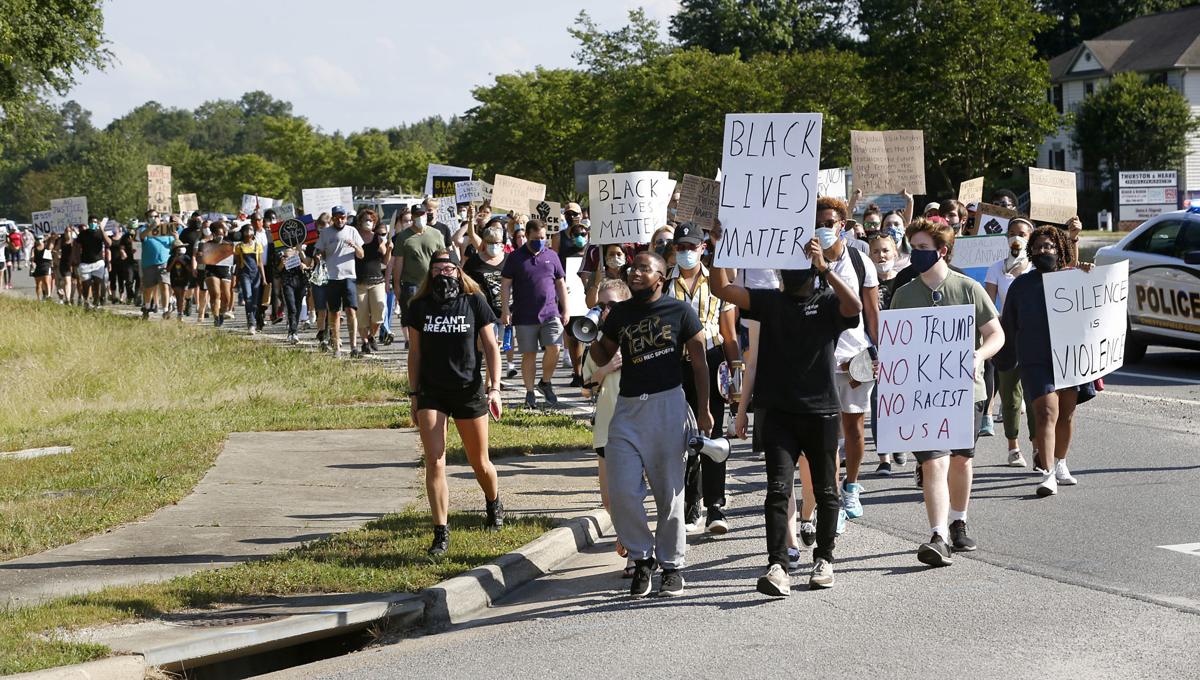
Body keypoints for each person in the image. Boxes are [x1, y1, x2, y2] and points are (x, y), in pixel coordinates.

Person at [712, 234, 862, 593]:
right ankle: (778, 565)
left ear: (813, 270)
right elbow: (723, 290)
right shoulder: (769, 303)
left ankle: (824, 558)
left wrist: (826, 269)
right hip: (778, 413)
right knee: (778, 490)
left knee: (827, 490)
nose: (791, 274)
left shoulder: (827, 303)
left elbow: (854, 307)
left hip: (821, 412)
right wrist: (722, 244)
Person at [589, 251, 713, 599]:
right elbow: (603, 356)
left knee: (669, 492)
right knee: (623, 490)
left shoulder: (680, 311)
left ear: (661, 276)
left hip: (668, 406)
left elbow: (701, 363)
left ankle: (671, 566)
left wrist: (703, 410)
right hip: (628, 410)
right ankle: (642, 558)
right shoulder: (621, 314)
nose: (636, 272)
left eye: (645, 268)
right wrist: (592, 334)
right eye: (634, 267)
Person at [890, 218, 1005, 566]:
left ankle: (958, 519)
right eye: (913, 248)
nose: (916, 254)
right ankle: (937, 534)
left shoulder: (969, 288)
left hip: (965, 392)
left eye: (923, 248)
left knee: (960, 459)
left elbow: (995, 335)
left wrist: (978, 355)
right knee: (933, 462)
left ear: (941, 251)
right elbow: (895, 344)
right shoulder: (904, 294)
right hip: (922, 394)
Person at [405, 251, 504, 556]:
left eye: (449, 268)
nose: (443, 274)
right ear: (430, 274)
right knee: (435, 460)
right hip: (432, 392)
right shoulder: (419, 306)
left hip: (468, 390)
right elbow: (415, 353)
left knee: (480, 462)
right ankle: (441, 533)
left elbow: (490, 346)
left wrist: (494, 387)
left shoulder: (475, 301)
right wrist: (413, 395)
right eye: (438, 269)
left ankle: (493, 503)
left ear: (459, 271)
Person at [995, 224, 1096, 498]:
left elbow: (1094, 307)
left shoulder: (1072, 278)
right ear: (1031, 251)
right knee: (1045, 413)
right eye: (1038, 247)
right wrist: (1004, 358)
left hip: (1069, 357)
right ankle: (1047, 473)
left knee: (1066, 413)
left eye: (1048, 247)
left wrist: (1087, 274)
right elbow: (1009, 323)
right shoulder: (1021, 285)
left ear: (1058, 250)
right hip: (1035, 358)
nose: (1043, 251)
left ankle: (1061, 463)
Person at [666, 223, 739, 535]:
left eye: (691, 247)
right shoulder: (664, 283)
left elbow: (729, 332)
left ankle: (716, 505)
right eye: (680, 248)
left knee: (711, 431)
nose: (685, 253)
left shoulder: (718, 283)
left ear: (702, 248)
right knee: (679, 436)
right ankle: (688, 500)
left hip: (710, 360)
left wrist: (736, 374)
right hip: (674, 363)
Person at [814, 197, 879, 520]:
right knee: (825, 432)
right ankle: (830, 493)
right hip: (818, 361)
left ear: (842, 225)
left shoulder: (859, 260)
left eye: (830, 224)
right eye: (819, 224)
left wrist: (878, 352)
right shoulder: (804, 262)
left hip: (856, 358)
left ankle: (851, 488)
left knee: (854, 429)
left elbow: (871, 310)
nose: (824, 229)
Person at [581, 278, 633, 576]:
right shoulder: (596, 345)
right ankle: (627, 533)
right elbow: (586, 389)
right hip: (606, 425)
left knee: (630, 491)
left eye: (611, 304)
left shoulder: (638, 336)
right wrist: (606, 368)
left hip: (635, 425)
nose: (604, 310)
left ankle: (634, 548)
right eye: (601, 305)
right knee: (609, 497)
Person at [984, 217, 1037, 466]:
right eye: (1013, 233)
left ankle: (1038, 445)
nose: (1017, 238)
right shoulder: (996, 268)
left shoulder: (1038, 268)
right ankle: (1013, 447)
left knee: (1036, 394)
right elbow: (988, 305)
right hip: (1008, 338)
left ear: (1031, 238)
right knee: (1010, 395)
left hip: (1034, 337)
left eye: (1023, 234)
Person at [500, 219, 568, 409]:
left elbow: (560, 283)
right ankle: (530, 392)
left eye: (543, 238)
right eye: (536, 238)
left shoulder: (552, 256)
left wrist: (566, 309)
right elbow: (505, 285)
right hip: (524, 315)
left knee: (554, 348)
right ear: (527, 236)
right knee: (529, 354)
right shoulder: (515, 257)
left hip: (550, 313)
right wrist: (505, 309)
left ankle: (545, 382)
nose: (540, 241)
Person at [868, 232, 907, 474]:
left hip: (903, 349)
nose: (881, 255)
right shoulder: (867, 282)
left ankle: (901, 440)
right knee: (878, 401)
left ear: (895, 253)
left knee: (901, 399)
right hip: (875, 349)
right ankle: (884, 457)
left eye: (885, 251)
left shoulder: (905, 281)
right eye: (876, 251)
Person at [391, 206, 446, 344]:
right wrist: (396, 285)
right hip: (411, 285)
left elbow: (443, 258)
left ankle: (430, 343)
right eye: (417, 215)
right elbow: (398, 263)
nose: (420, 217)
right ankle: (415, 345)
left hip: (434, 283)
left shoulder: (436, 234)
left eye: (422, 214)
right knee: (414, 317)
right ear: (413, 217)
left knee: (433, 315)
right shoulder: (403, 237)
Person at [316, 206, 365, 357]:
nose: (340, 219)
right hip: (332, 277)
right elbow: (319, 251)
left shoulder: (352, 231)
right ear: (333, 218)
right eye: (337, 217)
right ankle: (336, 346)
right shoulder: (325, 233)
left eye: (343, 217)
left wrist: (355, 246)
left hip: (349, 276)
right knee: (335, 313)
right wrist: (319, 255)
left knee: (351, 311)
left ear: (346, 217)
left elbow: (361, 255)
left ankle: (354, 346)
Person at [556, 209, 594, 387]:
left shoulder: (593, 253)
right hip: (571, 300)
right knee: (573, 337)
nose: (580, 236)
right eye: (576, 234)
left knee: (590, 337)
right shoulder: (565, 254)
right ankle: (577, 373)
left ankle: (589, 373)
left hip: (589, 300)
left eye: (583, 233)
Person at [463, 223, 507, 343]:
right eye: (490, 242)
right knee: (488, 344)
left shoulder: (510, 260)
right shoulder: (474, 262)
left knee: (500, 343)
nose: (494, 246)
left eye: (497, 242)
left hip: (505, 311)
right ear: (484, 243)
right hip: (484, 312)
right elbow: (465, 283)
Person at [355, 209, 390, 354]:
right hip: (359, 282)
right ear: (360, 221)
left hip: (377, 281)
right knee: (361, 316)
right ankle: (364, 342)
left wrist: (389, 250)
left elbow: (386, 262)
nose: (368, 222)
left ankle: (371, 336)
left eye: (371, 220)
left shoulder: (378, 238)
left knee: (379, 313)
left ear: (375, 222)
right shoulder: (355, 237)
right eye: (365, 219)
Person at [138, 212, 175, 320]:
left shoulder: (166, 229)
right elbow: (141, 237)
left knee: (164, 285)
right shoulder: (143, 229)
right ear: (147, 218)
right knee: (148, 289)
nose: (154, 218)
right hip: (149, 263)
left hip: (164, 263)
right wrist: (151, 226)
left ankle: (165, 310)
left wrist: (176, 237)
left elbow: (173, 244)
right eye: (151, 216)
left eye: (156, 216)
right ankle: (147, 307)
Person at [74, 216, 112, 309]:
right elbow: (77, 247)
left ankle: (96, 301)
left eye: (95, 222)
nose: (93, 223)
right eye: (91, 222)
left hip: (98, 262)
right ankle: (86, 301)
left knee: (97, 283)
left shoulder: (100, 233)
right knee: (86, 284)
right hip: (85, 263)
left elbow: (109, 243)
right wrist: (76, 260)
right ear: (88, 223)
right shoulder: (83, 234)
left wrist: (102, 230)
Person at [234, 225, 265, 334]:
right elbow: (238, 264)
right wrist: (236, 280)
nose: (249, 231)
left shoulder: (258, 246)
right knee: (248, 298)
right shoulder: (239, 247)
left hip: (256, 275)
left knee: (255, 301)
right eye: (246, 229)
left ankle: (255, 320)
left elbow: (260, 263)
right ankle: (251, 323)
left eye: (251, 229)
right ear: (243, 232)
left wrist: (264, 279)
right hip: (244, 274)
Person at [204, 222, 236, 327]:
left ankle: (221, 313)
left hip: (225, 270)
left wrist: (233, 253)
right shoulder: (208, 244)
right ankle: (216, 317)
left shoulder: (228, 244)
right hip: (211, 270)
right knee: (215, 294)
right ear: (213, 234)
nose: (220, 236)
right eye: (217, 234)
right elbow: (201, 259)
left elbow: (234, 259)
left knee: (226, 297)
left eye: (222, 234)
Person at [585, 243, 629, 308]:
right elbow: (590, 305)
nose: (615, 257)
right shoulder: (595, 276)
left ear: (625, 257)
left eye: (619, 254)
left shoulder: (630, 275)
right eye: (611, 254)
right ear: (605, 257)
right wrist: (597, 282)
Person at [166, 240, 194, 323]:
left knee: (182, 297)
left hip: (185, 279)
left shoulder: (186, 257)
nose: (180, 250)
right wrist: (175, 260)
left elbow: (190, 269)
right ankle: (179, 312)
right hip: (175, 279)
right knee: (179, 296)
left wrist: (182, 262)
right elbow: (168, 269)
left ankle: (180, 313)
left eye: (180, 248)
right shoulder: (171, 258)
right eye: (178, 249)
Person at [30, 235, 53, 300]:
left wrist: (49, 237)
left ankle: (48, 296)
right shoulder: (34, 248)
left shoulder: (46, 246)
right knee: (38, 284)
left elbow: (51, 245)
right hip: (38, 266)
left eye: (40, 239)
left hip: (46, 265)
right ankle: (38, 298)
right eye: (37, 239)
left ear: (43, 239)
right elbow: (32, 257)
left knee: (46, 282)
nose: (38, 240)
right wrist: (32, 262)